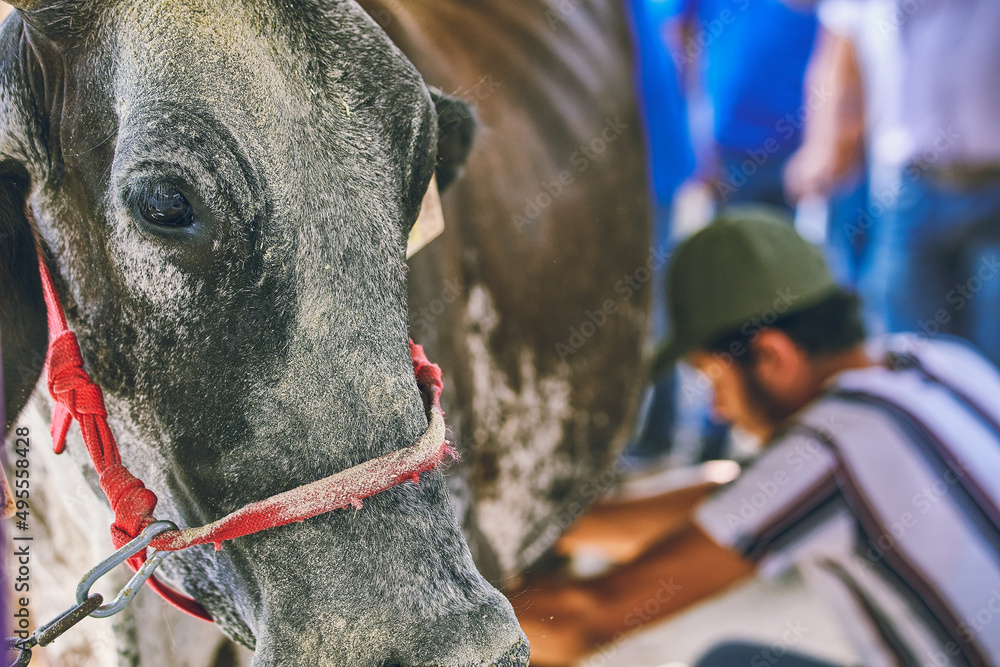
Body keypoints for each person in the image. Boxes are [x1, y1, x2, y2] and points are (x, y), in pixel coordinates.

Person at [514, 206, 1000, 667]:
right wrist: (544, 526)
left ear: (772, 356)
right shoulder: (940, 362)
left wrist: (468, 603)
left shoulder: (829, 450)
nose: (718, 409)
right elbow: (734, 500)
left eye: (713, 378)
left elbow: (584, 620)